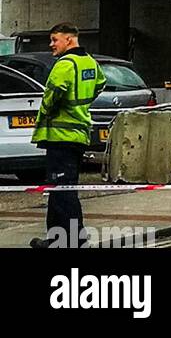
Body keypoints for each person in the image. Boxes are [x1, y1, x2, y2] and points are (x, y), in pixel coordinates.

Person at [29, 23, 105, 249]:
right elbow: (100, 84)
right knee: (59, 188)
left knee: (63, 190)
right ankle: (55, 240)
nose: (51, 45)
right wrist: (80, 105)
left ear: (69, 40)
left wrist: (44, 115)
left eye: (55, 40)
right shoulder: (89, 62)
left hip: (60, 135)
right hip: (78, 134)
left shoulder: (65, 64)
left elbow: (51, 96)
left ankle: (75, 240)